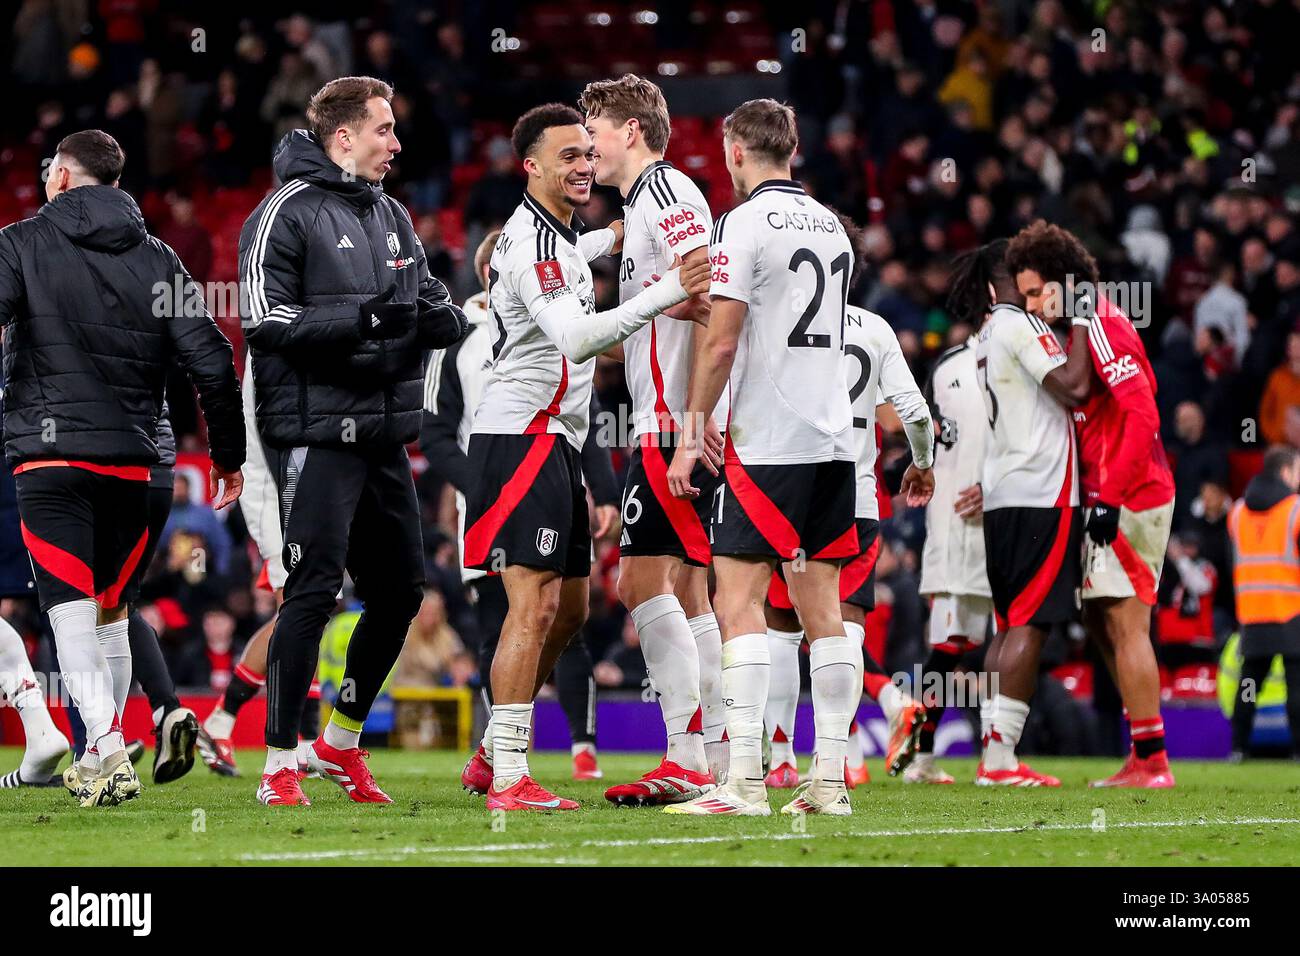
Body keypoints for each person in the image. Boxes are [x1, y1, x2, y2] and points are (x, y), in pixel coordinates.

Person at [664, 99, 928, 816]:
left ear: (734, 152)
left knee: (738, 601)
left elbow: (723, 343)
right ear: (795, 148)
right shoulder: (832, 231)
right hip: (837, 452)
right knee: (825, 613)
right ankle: (831, 781)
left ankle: (744, 783)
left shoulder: (742, 223)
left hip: (767, 443)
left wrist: (692, 429)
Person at [461, 103, 708, 812]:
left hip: (558, 442)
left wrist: (615, 237)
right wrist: (669, 288)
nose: (583, 165)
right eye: (566, 156)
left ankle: (488, 753)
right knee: (532, 605)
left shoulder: (564, 238)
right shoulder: (534, 242)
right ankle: (509, 773)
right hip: (519, 440)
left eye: (586, 153)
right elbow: (575, 339)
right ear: (531, 167)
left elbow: (578, 254)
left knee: (572, 609)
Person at [237, 76, 469, 807]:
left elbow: (427, 299)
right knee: (311, 591)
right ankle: (278, 762)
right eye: (384, 130)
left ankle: (338, 744)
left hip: (384, 433)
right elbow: (265, 320)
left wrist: (447, 319)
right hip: (311, 434)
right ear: (344, 138)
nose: (396, 144)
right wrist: (367, 321)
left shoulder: (393, 214)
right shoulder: (281, 213)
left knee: (401, 593)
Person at [0, 129, 245, 807]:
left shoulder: (19, 244)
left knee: (71, 613)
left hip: (50, 460)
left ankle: (106, 751)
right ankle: (104, 745)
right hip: (135, 467)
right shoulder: (159, 256)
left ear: (60, 178)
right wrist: (229, 455)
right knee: (110, 614)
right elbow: (212, 360)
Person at [422, 231, 620, 787]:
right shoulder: (460, 340)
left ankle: (512, 749)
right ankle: (510, 765)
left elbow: (587, 412)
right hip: (500, 476)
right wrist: (479, 485)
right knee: (511, 615)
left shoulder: (556, 318)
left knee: (569, 616)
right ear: (492, 276)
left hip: (559, 463)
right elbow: (434, 435)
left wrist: (601, 490)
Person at [580, 73, 728, 804]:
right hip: (667, 418)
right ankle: (718, 755)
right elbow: (676, 312)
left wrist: (693, 430)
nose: (587, 145)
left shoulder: (667, 197)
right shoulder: (643, 206)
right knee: (690, 591)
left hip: (674, 425)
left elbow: (712, 303)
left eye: (595, 129)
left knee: (641, 582)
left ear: (631, 130)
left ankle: (688, 755)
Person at [763, 212, 935, 790]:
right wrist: (922, 465)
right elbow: (911, 415)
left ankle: (783, 758)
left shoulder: (777, 322)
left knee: (783, 626)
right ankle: (844, 758)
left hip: (788, 491)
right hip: (859, 496)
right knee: (844, 630)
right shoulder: (877, 329)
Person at [1007, 221, 1178, 788]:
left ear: (1064, 280)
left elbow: (1143, 413)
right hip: (1108, 494)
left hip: (1132, 494)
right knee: (1105, 623)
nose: (1032, 305)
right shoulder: (1076, 326)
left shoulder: (1099, 319)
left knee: (1127, 624)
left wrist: (1110, 496)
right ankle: (1143, 752)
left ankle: (1153, 762)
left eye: (1037, 292)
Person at [961, 235, 1089, 787]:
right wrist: (1081, 318)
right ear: (1009, 280)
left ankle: (995, 750)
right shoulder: (1020, 324)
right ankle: (1000, 759)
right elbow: (1075, 387)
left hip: (1004, 493)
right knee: (1030, 625)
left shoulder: (987, 335)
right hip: (1041, 491)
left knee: (1009, 624)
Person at [911, 263, 994, 785]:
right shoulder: (948, 369)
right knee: (952, 647)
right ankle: (924, 757)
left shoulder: (1021, 364)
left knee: (985, 642)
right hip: (955, 530)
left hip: (1002, 523)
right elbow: (926, 433)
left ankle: (997, 755)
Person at [1226, 445, 1300, 760]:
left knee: (1248, 686)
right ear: (1285, 472)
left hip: (1252, 612)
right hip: (1291, 610)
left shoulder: (1238, 512)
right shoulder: (1295, 509)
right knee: (1297, 689)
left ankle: (1239, 749)